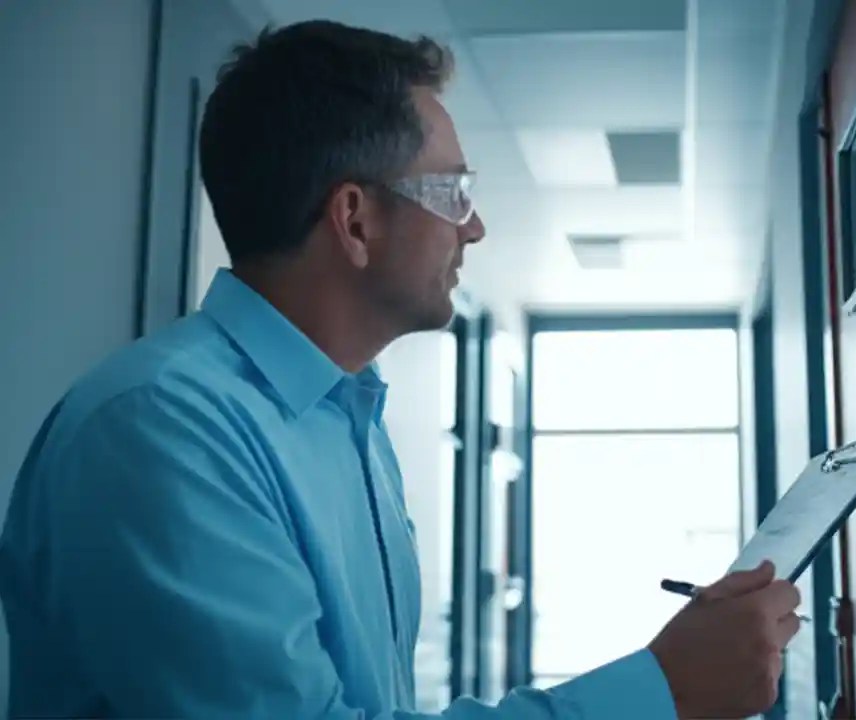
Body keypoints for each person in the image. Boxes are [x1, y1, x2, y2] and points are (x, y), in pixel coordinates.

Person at [0, 20, 802, 720]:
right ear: (355, 219)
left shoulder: (347, 419)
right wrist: (665, 689)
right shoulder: (162, 429)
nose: (476, 226)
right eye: (453, 192)